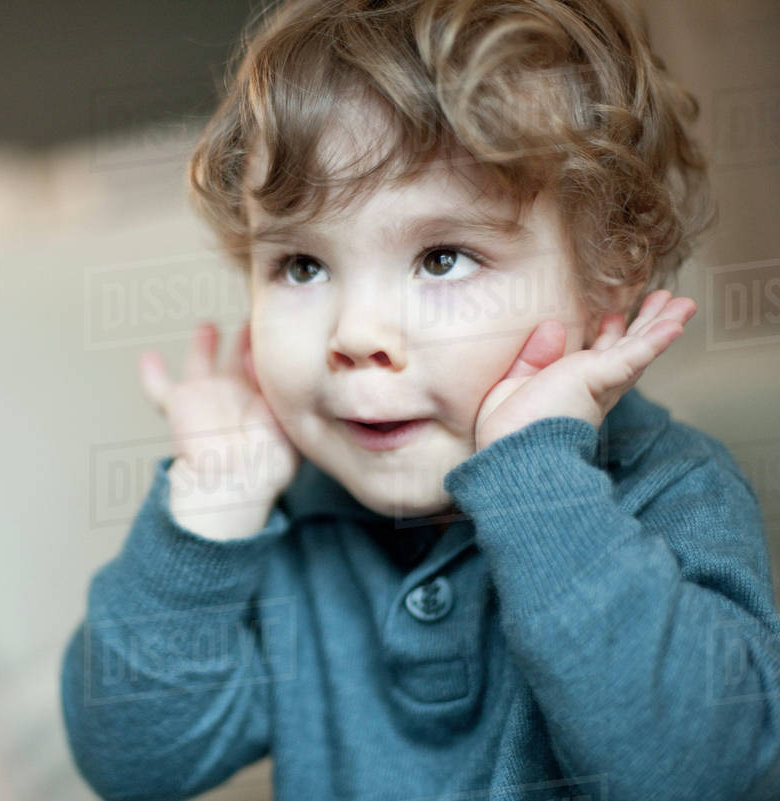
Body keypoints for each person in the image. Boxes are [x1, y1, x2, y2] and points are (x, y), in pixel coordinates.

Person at [60, 0, 780, 798]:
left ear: (609, 272)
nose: (356, 333)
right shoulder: (295, 516)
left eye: (442, 258)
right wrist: (209, 510)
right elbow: (133, 760)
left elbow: (705, 772)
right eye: (301, 265)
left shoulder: (671, 490)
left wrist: (536, 481)